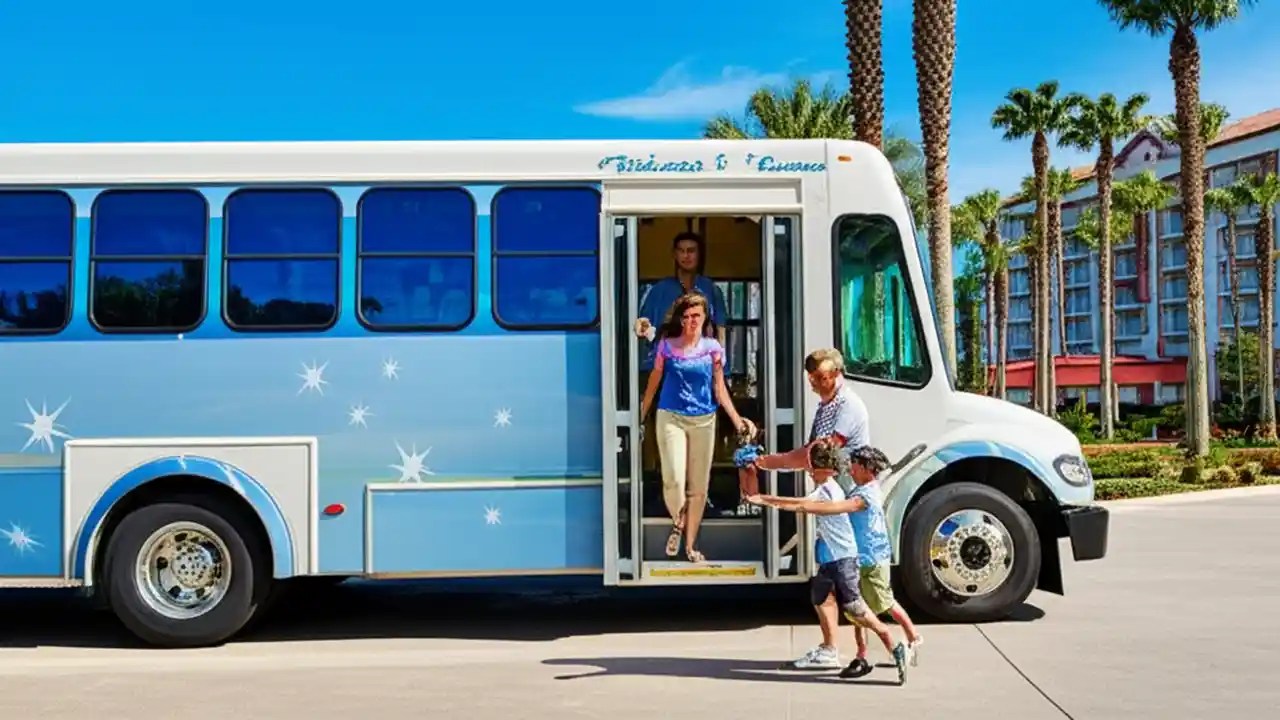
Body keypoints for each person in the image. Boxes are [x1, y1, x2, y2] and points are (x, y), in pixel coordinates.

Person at [747, 438, 909, 685]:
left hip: (844, 558)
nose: (809, 469)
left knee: (856, 609)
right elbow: (805, 502)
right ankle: (830, 650)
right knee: (820, 597)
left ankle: (893, 642)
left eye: (813, 465)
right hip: (830, 557)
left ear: (827, 469)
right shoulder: (828, 486)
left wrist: (765, 499)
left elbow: (806, 505)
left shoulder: (837, 492)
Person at [748, 348, 871, 670]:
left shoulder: (848, 408)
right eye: (812, 379)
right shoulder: (828, 405)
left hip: (841, 503)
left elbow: (814, 455)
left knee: (852, 590)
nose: (815, 384)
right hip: (830, 501)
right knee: (826, 585)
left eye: (821, 378)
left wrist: (767, 463)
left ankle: (866, 652)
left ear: (837, 374)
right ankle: (833, 648)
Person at [639, 291, 754, 563]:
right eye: (687, 316)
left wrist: (737, 421)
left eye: (696, 316)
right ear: (680, 318)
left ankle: (689, 545)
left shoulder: (713, 348)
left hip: (704, 419)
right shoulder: (667, 346)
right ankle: (679, 521)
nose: (691, 321)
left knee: (699, 487)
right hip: (671, 417)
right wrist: (641, 415)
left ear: (704, 319)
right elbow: (653, 383)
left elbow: (719, 388)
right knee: (674, 479)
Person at [826, 445, 923, 678]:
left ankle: (913, 638)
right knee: (857, 609)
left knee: (884, 603)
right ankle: (861, 655)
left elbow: (850, 506)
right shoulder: (865, 488)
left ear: (868, 469)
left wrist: (817, 507)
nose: (851, 469)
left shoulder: (866, 495)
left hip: (873, 558)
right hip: (859, 558)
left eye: (855, 466)